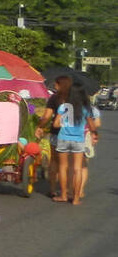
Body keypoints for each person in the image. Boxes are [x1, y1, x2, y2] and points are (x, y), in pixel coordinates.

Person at [53, 77, 97, 206]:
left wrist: (65, 124)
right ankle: (76, 198)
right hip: (78, 140)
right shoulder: (85, 108)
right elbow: (92, 125)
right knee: (77, 169)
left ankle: (63, 195)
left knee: (63, 167)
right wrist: (95, 134)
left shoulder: (63, 106)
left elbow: (56, 124)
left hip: (63, 138)